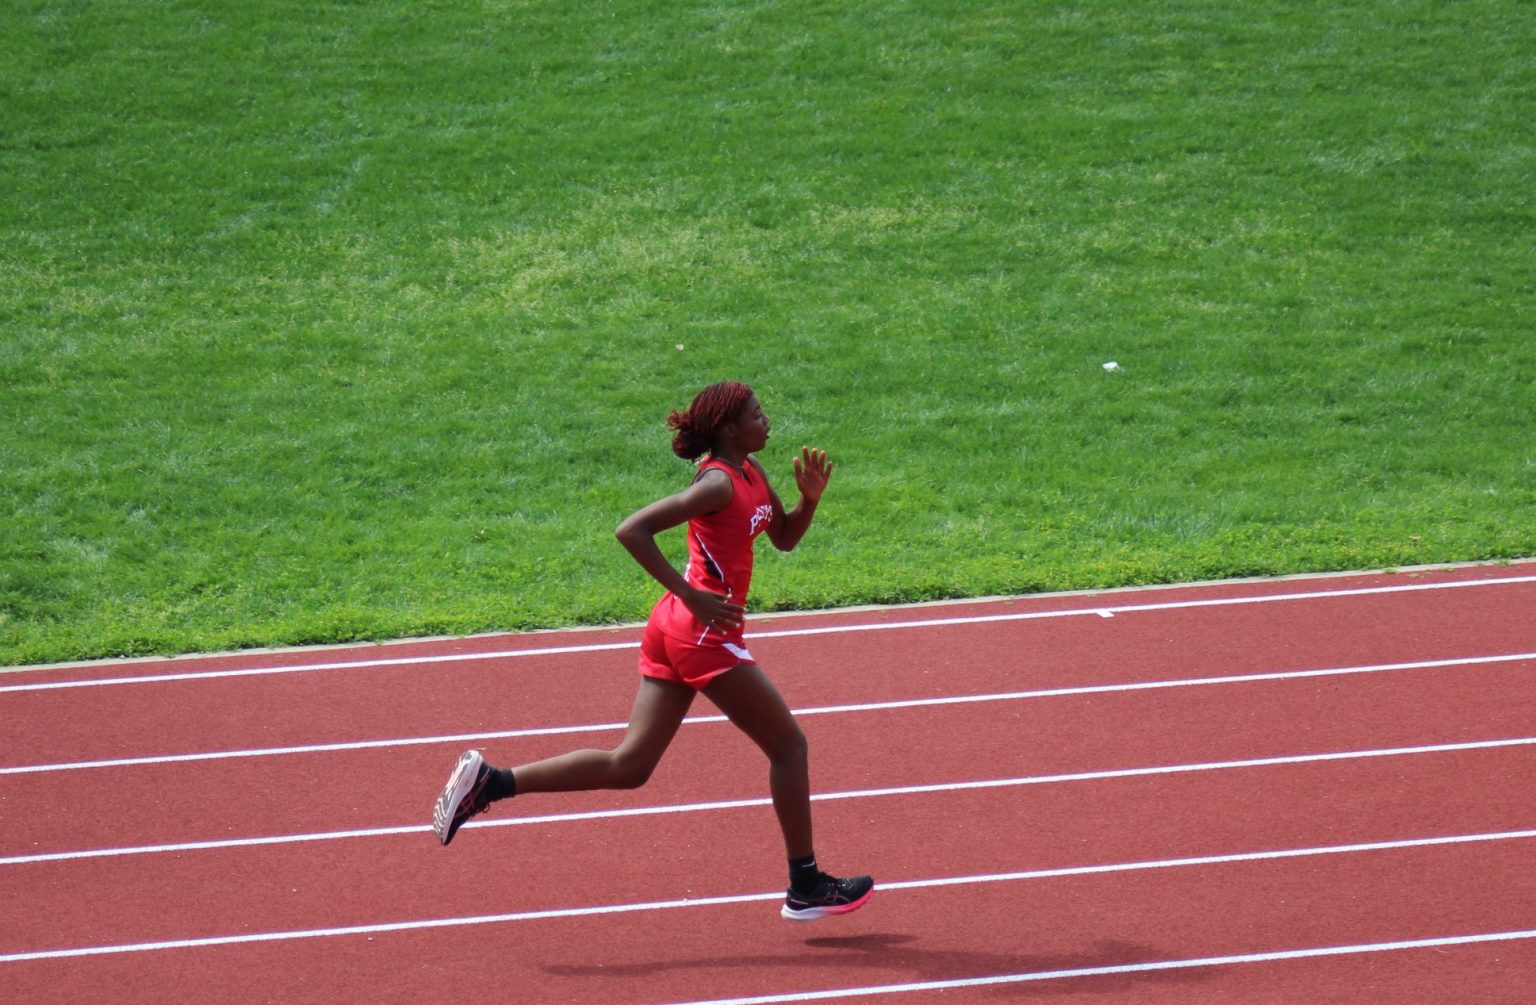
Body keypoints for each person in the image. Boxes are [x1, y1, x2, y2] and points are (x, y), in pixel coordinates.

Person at [432, 381, 873, 921]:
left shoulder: (752, 474)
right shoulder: (716, 484)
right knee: (790, 748)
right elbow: (631, 530)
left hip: (679, 628)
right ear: (729, 429)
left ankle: (492, 782)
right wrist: (693, 595)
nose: (767, 420)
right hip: (703, 633)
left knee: (630, 765)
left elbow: (781, 537)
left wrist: (809, 501)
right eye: (757, 414)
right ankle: (805, 884)